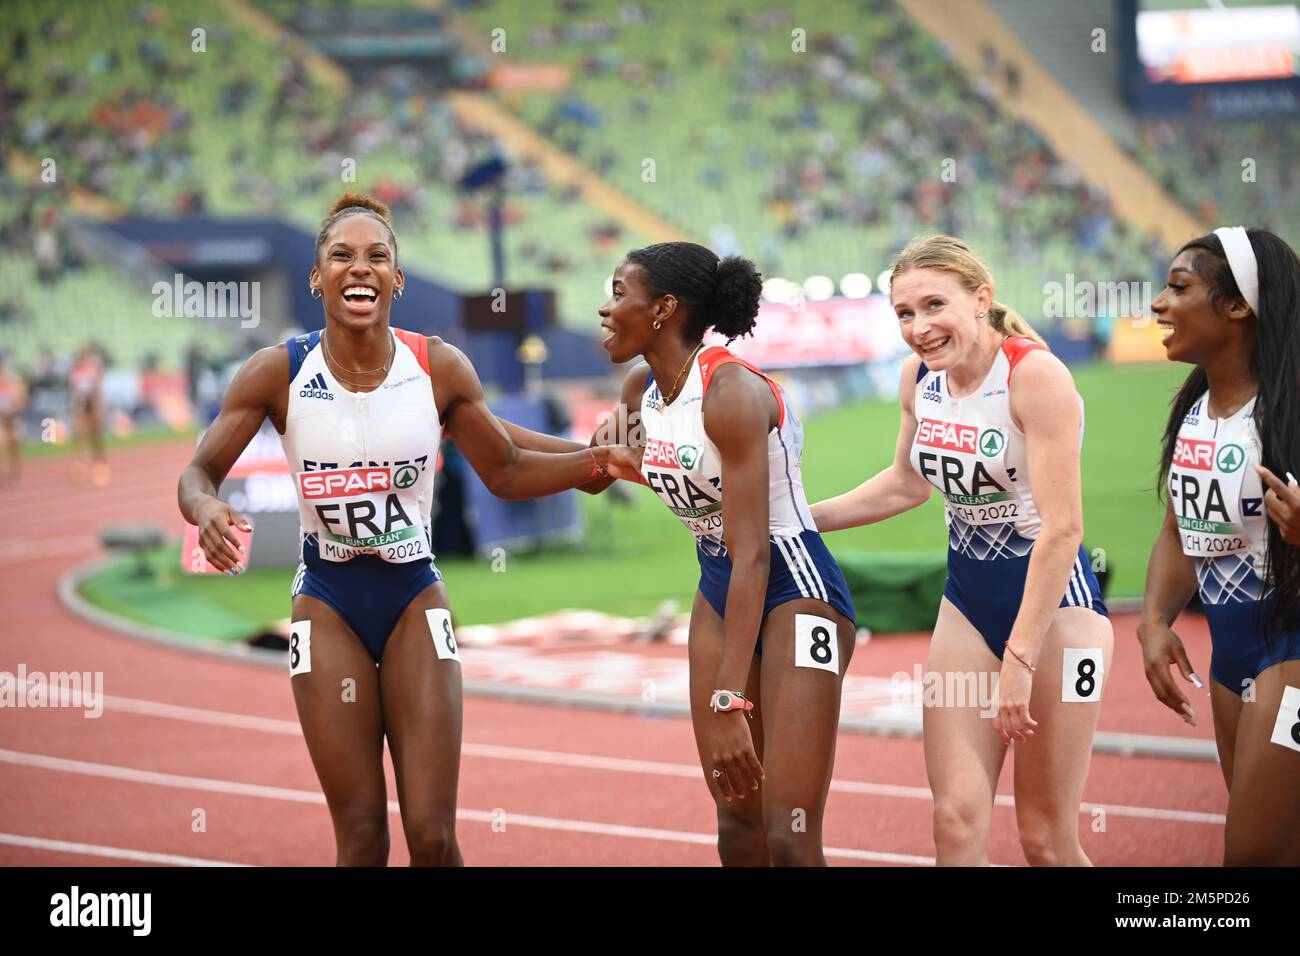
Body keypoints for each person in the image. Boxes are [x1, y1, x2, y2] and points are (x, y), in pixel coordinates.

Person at [178, 192, 639, 866]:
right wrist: (205, 508)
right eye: (341, 255)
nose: (358, 269)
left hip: (414, 597)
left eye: (376, 257)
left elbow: (505, 467)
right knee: (362, 837)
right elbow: (199, 470)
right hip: (326, 602)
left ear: (396, 278)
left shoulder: (437, 366)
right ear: (316, 277)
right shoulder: (277, 372)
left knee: (433, 836)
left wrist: (592, 465)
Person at [506, 242, 858, 866]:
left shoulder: (730, 394)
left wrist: (730, 701)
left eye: (619, 294)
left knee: (789, 835)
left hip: (793, 587)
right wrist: (467, 414)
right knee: (737, 828)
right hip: (719, 588)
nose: (605, 309)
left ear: (665, 308)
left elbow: (754, 554)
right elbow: (593, 468)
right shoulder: (641, 386)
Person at [811, 235, 1112, 866]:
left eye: (933, 306)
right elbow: (906, 483)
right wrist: (797, 521)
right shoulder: (920, 378)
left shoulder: (1036, 376)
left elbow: (1063, 531)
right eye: (904, 313)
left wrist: (1019, 659)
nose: (919, 328)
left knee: (1046, 840)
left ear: (981, 299)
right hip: (968, 606)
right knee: (954, 818)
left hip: (1059, 618)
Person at [1140, 226, 1300, 865]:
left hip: (1292, 660)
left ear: (1238, 307)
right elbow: (1178, 532)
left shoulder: (1289, 412)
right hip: (1230, 668)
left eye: (1178, 287)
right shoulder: (1195, 410)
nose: (1157, 303)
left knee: (1250, 859)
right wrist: (1153, 620)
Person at [68, 342, 107, 485]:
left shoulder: (92, 369)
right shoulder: (75, 371)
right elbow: (73, 391)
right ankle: (80, 467)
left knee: (95, 437)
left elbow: (97, 390)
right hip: (80, 407)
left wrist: (99, 407)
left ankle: (100, 464)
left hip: (91, 406)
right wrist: (74, 407)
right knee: (80, 436)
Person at [0, 355, 27, 485]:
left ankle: (14, 472)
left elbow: (22, 401)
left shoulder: (16, 384)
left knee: (14, 446)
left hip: (13, 418)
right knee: (2, 444)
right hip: (1, 420)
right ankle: (4, 472)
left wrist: (16, 408)